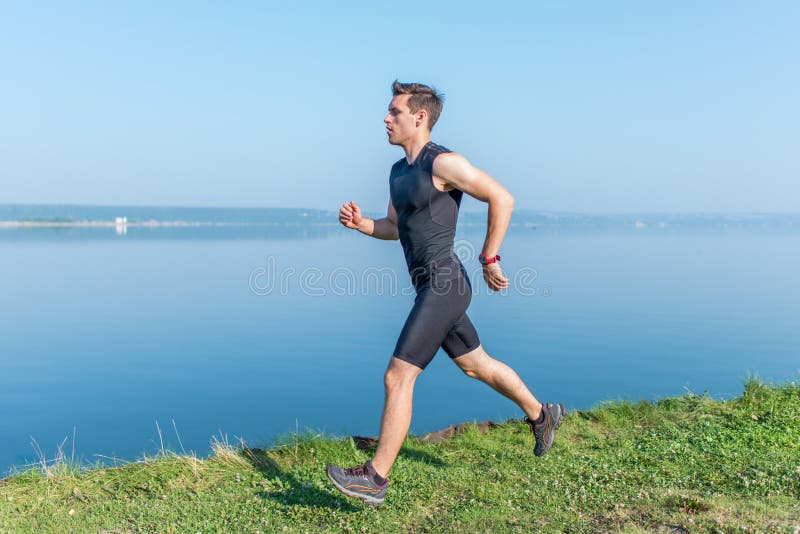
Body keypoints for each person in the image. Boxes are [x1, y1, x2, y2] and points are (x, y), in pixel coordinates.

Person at [326, 81, 564, 507]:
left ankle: (374, 479)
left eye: (394, 111)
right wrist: (363, 224)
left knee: (398, 376)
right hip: (429, 286)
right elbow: (395, 227)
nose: (386, 118)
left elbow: (502, 198)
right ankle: (543, 416)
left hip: (445, 284)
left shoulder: (443, 163)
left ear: (419, 117)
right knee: (477, 366)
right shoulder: (398, 172)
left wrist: (490, 258)